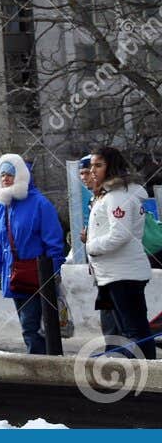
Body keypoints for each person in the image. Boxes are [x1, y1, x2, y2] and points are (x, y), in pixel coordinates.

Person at [82, 146, 156, 360]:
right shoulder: (109, 194)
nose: (93, 170)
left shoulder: (117, 196)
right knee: (121, 329)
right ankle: (129, 367)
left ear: (111, 166)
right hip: (110, 274)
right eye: (92, 166)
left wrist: (92, 247)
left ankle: (148, 371)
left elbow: (120, 235)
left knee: (133, 330)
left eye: (98, 165)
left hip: (123, 274)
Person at [0, 153, 66, 355]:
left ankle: (41, 365)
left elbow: (54, 242)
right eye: (2, 174)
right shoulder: (2, 206)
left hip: (37, 276)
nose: (5, 178)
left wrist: (53, 270)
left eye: (10, 173)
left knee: (33, 328)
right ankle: (42, 363)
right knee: (30, 327)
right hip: (15, 275)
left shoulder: (40, 204)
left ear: (22, 175)